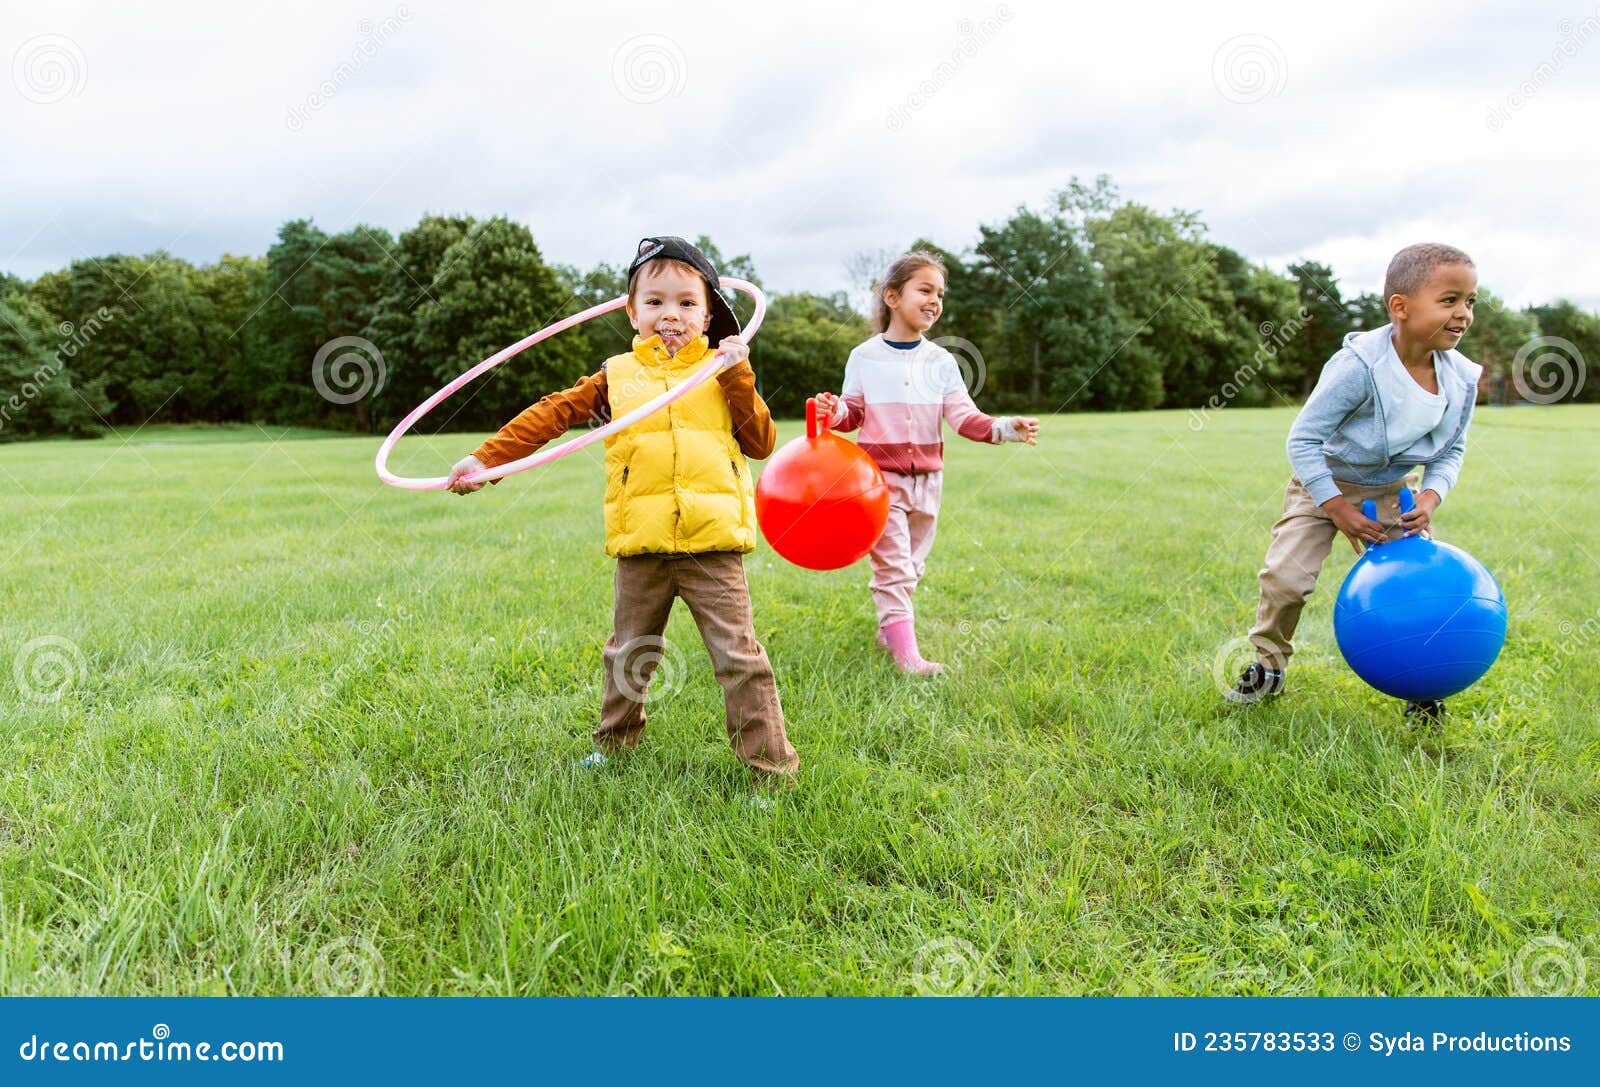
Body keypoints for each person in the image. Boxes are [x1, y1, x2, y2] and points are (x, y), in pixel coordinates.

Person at [448, 236, 799, 788]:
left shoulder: (722, 370)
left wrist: (737, 373)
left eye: (687, 302)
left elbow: (760, 442)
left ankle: (770, 769)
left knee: (739, 658)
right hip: (642, 546)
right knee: (628, 654)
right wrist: (488, 459)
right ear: (631, 312)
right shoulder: (616, 376)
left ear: (709, 315)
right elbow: (552, 414)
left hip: (714, 546)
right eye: (655, 302)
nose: (671, 314)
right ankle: (614, 746)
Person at [1227, 242, 1483, 718]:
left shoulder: (1459, 378)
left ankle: (1424, 684)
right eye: (1449, 300)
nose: (1464, 313)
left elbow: (1451, 450)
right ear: (1400, 308)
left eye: (1470, 301)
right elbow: (1302, 441)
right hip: (1322, 483)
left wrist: (1430, 494)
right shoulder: (1359, 366)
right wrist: (1336, 507)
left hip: (1392, 491)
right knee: (1286, 579)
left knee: (1421, 588)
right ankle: (1269, 665)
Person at [815, 250, 1039, 674]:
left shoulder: (941, 362)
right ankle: (907, 657)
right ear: (893, 297)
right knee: (894, 568)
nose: (935, 300)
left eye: (940, 293)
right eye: (925, 289)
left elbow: (963, 417)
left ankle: (891, 624)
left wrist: (1006, 428)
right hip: (879, 483)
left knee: (913, 567)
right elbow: (854, 412)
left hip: (929, 484)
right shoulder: (864, 356)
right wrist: (835, 412)